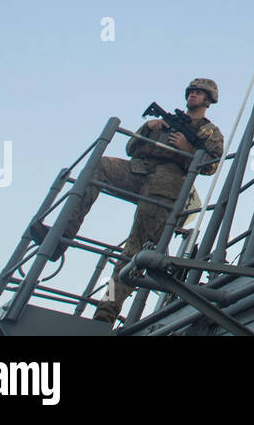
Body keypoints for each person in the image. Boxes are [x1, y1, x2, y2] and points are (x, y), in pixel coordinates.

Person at [27, 78, 225, 325]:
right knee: (98, 167)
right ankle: (59, 237)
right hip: (140, 170)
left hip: (166, 183)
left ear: (208, 100)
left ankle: (105, 314)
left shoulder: (209, 131)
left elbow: (211, 165)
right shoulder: (164, 122)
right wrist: (148, 128)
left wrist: (188, 149)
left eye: (199, 93)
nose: (193, 95)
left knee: (133, 252)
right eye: (191, 91)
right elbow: (131, 148)